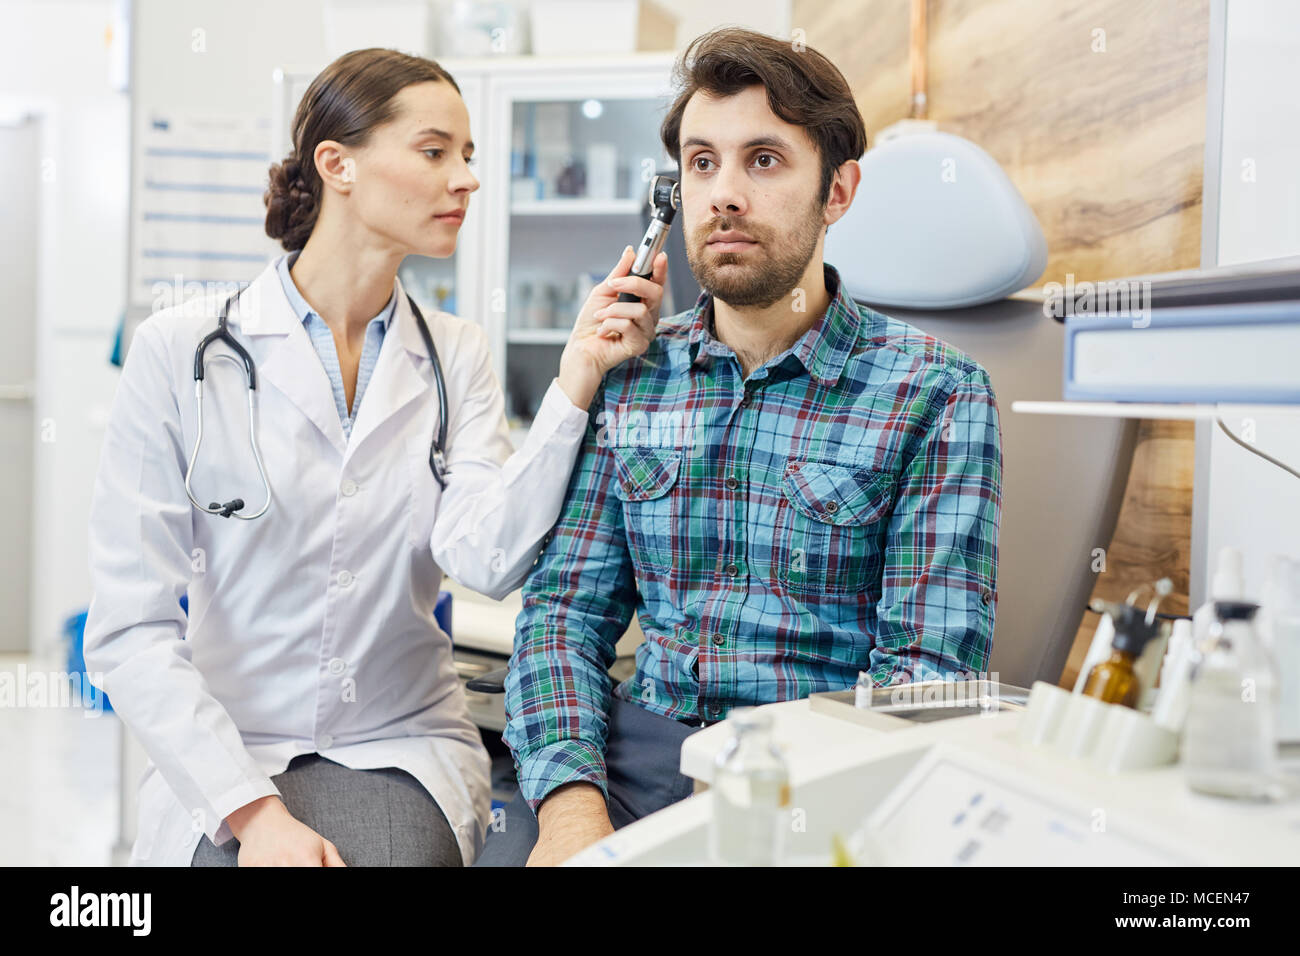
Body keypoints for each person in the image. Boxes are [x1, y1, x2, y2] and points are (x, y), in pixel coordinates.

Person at [83, 47, 667, 867]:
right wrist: (253, 817)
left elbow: (484, 557)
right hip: (228, 747)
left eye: (468, 157)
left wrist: (574, 387)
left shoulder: (456, 354)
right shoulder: (180, 348)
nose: (465, 179)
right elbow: (129, 629)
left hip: (398, 741)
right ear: (338, 165)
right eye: (435, 152)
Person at [478, 27, 1003, 867]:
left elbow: (927, 680)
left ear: (837, 193)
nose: (723, 193)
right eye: (701, 163)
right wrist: (573, 817)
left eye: (763, 160)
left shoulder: (936, 392)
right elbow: (564, 619)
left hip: (813, 774)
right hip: (635, 762)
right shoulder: (633, 376)